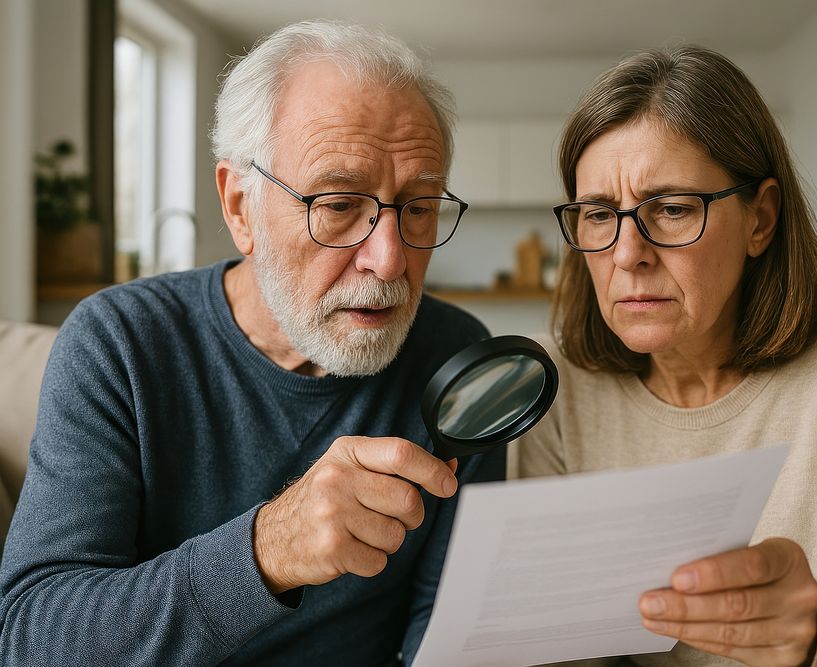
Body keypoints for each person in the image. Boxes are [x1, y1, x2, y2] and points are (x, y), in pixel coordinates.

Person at [0, 20, 504, 666]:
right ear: (241, 207)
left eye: (418, 206)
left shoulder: (458, 357)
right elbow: (31, 637)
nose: (389, 258)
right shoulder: (117, 345)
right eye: (340, 204)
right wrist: (266, 550)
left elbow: (444, 630)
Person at [513, 47, 817, 666]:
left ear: (760, 219)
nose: (627, 253)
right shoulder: (554, 388)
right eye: (600, 215)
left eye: (673, 208)